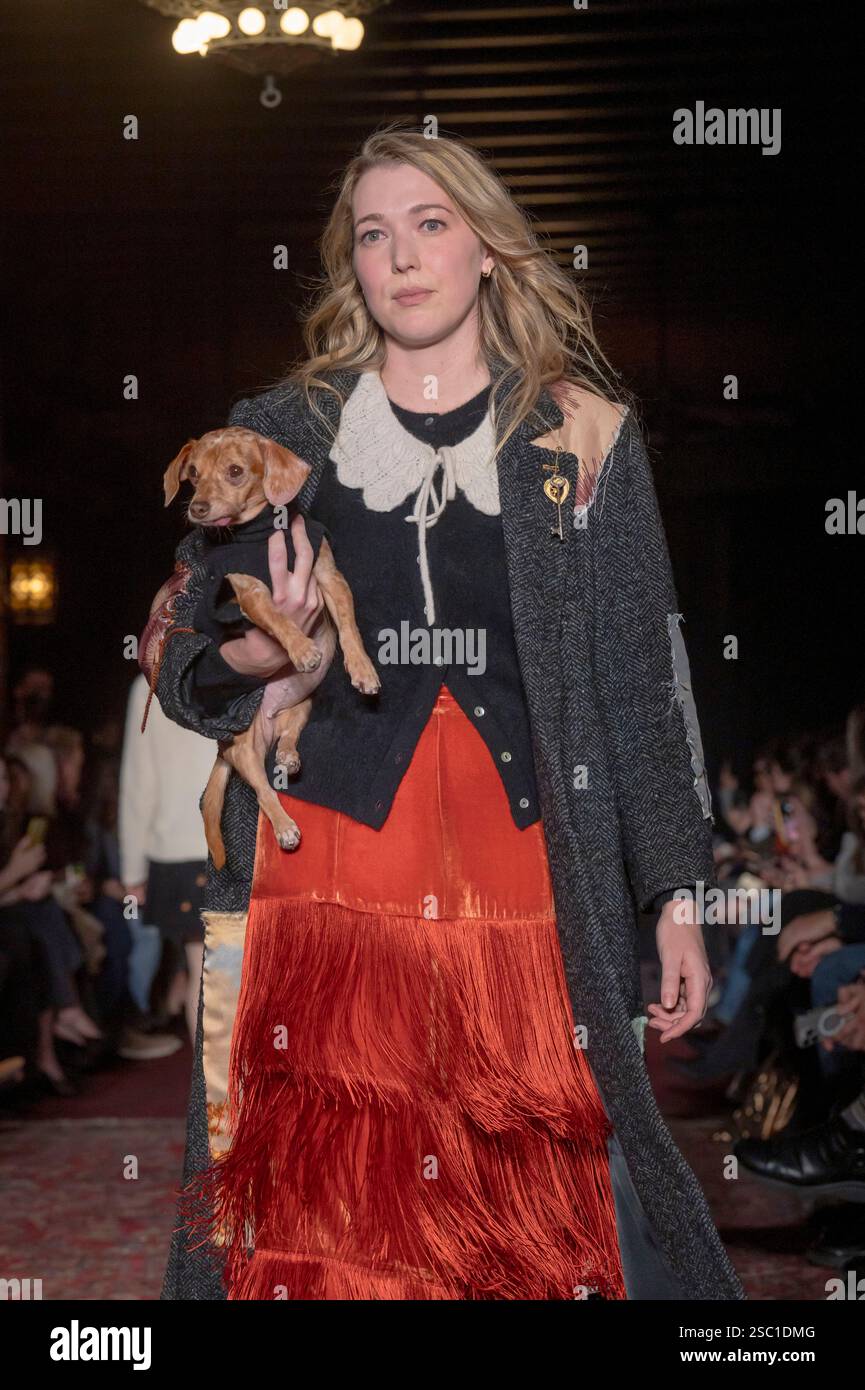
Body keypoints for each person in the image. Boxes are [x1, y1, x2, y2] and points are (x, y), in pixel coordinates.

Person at [146, 126, 744, 1300]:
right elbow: (175, 647)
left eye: (431, 226)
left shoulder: (582, 433)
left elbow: (640, 676)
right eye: (374, 235)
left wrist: (676, 890)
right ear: (350, 266)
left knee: (528, 1206)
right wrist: (254, 667)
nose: (402, 257)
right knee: (334, 1212)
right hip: (322, 871)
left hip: (526, 877)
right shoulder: (285, 427)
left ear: (487, 252)